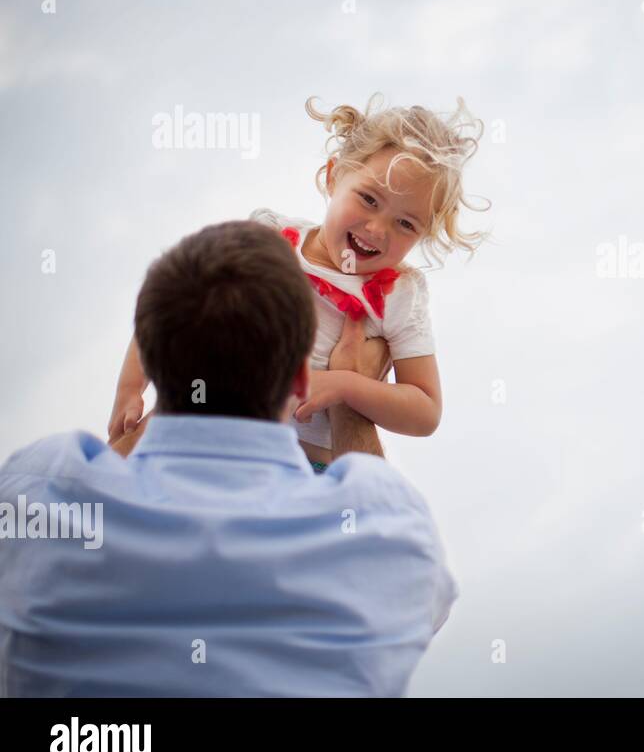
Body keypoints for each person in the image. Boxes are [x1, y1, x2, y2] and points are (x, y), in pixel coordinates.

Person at [0, 220, 457, 696]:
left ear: (154, 364)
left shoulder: (33, 498)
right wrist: (349, 392)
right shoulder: (389, 533)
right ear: (302, 377)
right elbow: (415, 598)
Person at [107, 94, 489, 472]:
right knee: (129, 468)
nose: (377, 229)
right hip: (216, 428)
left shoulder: (401, 294)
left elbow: (424, 410)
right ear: (333, 174)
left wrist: (343, 385)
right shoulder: (272, 237)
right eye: (369, 199)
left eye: (406, 224)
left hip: (309, 467)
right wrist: (130, 389)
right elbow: (176, 305)